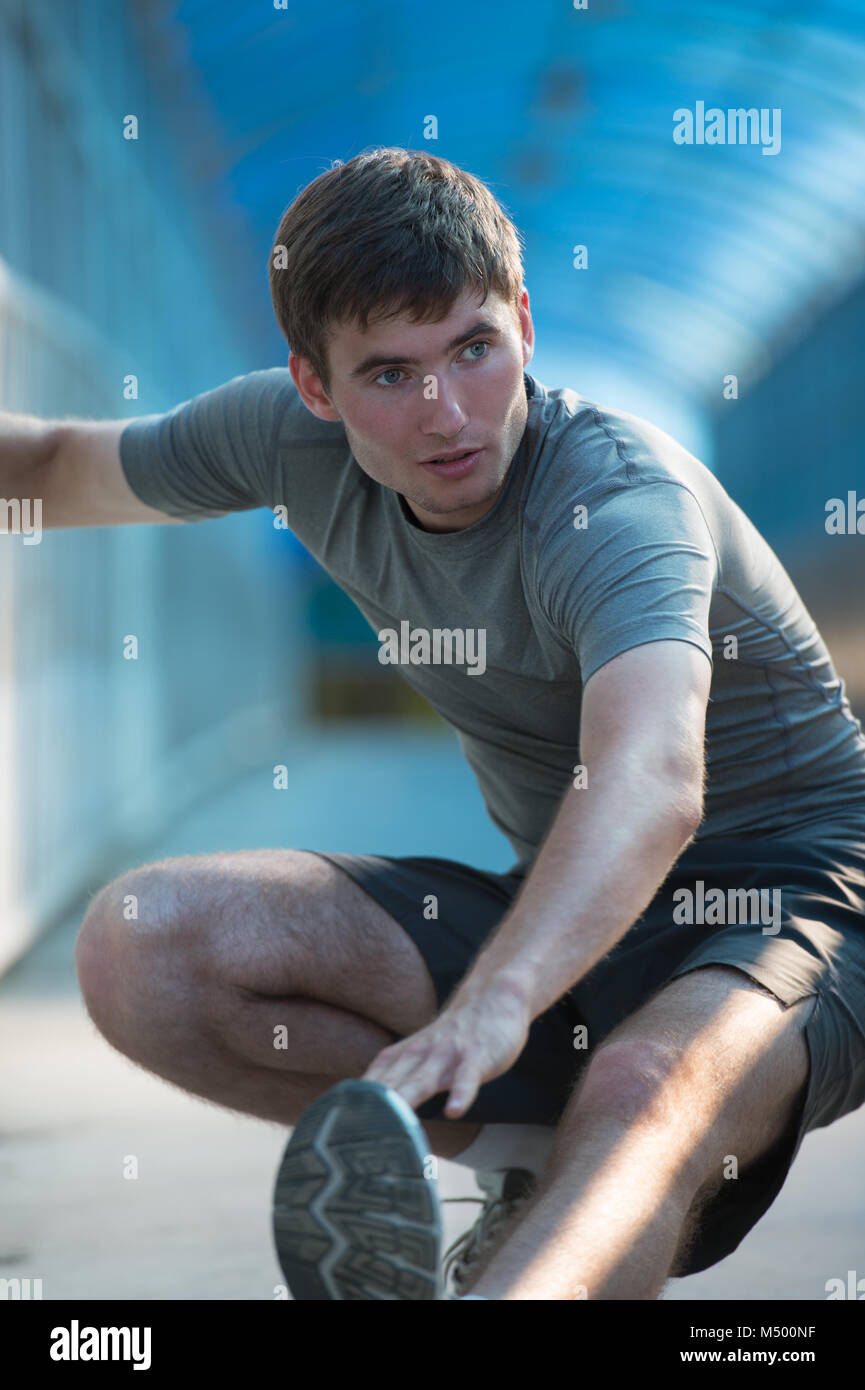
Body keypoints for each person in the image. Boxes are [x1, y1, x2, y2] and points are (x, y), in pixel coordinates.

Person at [7, 147, 865, 1300]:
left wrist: (498, 999)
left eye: (474, 349)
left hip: (795, 899)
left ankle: (564, 1211)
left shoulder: (617, 505)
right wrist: (503, 991)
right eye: (390, 374)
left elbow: (653, 778)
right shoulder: (282, 441)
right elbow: (57, 467)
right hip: (568, 905)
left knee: (641, 1085)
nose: (448, 412)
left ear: (522, 319)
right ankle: (534, 1165)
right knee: (141, 939)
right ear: (312, 384)